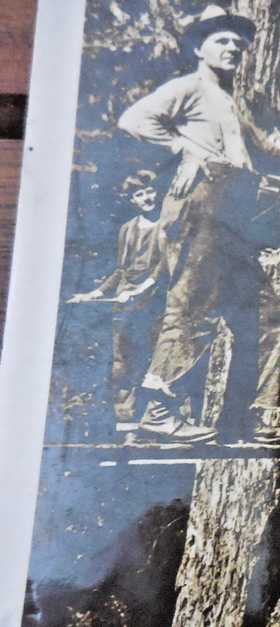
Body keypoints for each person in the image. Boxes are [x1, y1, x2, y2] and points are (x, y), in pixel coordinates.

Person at [117, 6, 280, 444]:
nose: (233, 47)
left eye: (238, 42)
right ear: (198, 49)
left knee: (264, 315)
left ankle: (249, 417)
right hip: (202, 205)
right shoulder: (189, 88)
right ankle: (159, 410)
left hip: (235, 215)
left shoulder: (231, 103)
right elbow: (134, 120)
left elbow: (262, 151)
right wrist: (185, 151)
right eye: (222, 40)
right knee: (191, 305)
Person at [68, 171, 169, 436]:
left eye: (150, 190)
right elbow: (122, 270)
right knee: (123, 360)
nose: (146, 197)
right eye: (139, 194)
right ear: (132, 200)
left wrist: (141, 290)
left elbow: (166, 265)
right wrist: (95, 293)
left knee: (154, 360)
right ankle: (127, 420)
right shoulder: (127, 228)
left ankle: (157, 420)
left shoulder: (169, 223)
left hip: (156, 303)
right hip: (124, 305)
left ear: (158, 192)